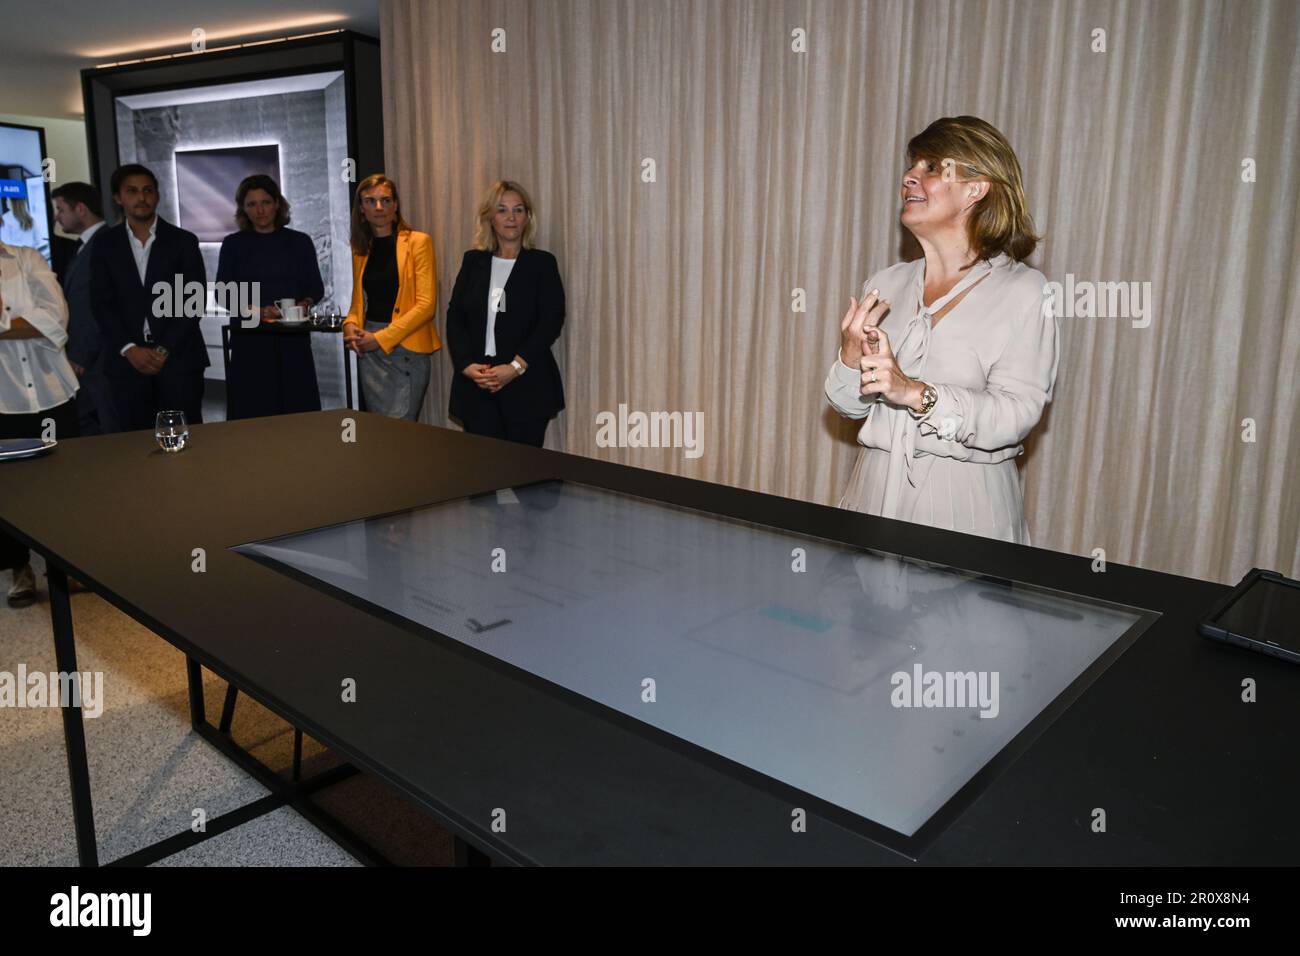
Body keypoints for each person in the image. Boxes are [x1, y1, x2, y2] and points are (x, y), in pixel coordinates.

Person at [825, 115, 1059, 545]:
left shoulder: (1025, 291)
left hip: (964, 513)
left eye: (931, 168)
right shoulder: (887, 282)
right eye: (912, 167)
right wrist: (849, 357)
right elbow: (847, 407)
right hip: (870, 499)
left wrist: (916, 392)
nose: (909, 177)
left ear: (977, 188)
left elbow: (1017, 414)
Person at [445, 180, 565, 447]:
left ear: (527, 218)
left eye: (518, 210)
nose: (511, 217)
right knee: (482, 477)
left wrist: (514, 368)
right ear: (490, 218)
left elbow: (551, 322)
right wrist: (466, 365)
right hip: (478, 384)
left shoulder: (542, 264)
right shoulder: (473, 261)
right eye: (502, 210)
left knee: (525, 478)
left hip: (528, 387)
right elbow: (455, 318)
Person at [90, 164, 209, 431]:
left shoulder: (183, 241)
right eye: (132, 191)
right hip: (126, 362)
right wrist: (129, 349)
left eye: (147, 191)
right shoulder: (105, 244)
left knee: (187, 439)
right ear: (118, 198)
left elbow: (192, 301)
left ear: (157, 196)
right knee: (133, 447)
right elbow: (101, 303)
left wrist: (163, 349)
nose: (141, 198)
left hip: (179, 359)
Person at [0, 239, 80, 606]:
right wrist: (22, 320)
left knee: (63, 483)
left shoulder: (27, 257)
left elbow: (55, 317)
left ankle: (64, 565)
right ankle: (19, 569)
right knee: (9, 491)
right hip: (5, 397)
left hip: (50, 390)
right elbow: (37, 319)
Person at [216, 175, 325, 419]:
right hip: (249, 342)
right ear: (243, 209)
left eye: (265, 202)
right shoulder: (233, 244)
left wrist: (303, 304)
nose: (260, 210)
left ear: (277, 203)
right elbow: (223, 293)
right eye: (251, 204)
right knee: (252, 418)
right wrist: (257, 311)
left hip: (293, 341)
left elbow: (315, 288)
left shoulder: (300, 242)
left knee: (299, 419)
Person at [342, 174, 439, 420]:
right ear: (361, 208)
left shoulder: (419, 242)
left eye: (385, 200)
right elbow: (358, 303)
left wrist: (381, 338)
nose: (378, 207)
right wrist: (350, 326)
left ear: (395, 205)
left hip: (405, 348)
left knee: (400, 432)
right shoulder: (361, 249)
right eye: (370, 201)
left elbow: (426, 306)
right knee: (380, 433)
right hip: (370, 351)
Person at [52, 181, 117, 435]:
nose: (57, 218)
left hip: (98, 358)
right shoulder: (83, 246)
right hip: (92, 359)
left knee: (110, 429)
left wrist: (80, 354)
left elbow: (94, 304)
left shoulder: (105, 244)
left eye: (60, 210)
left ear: (80, 209)